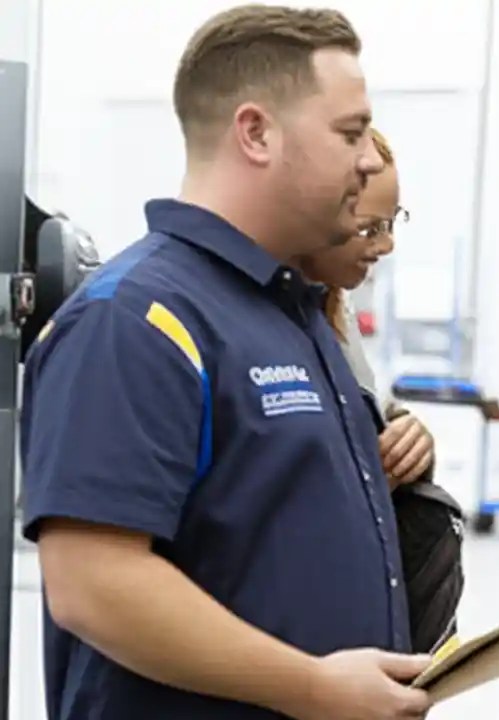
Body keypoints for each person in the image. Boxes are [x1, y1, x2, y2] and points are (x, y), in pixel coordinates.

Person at [19, 6, 435, 719]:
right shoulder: (137, 320)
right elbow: (93, 583)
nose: (370, 158)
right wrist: (314, 689)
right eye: (349, 131)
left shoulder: (294, 312)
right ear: (256, 132)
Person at [298, 126, 467, 657]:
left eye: (393, 224)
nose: (387, 244)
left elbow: (366, 408)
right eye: (371, 227)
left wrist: (409, 436)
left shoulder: (331, 306)